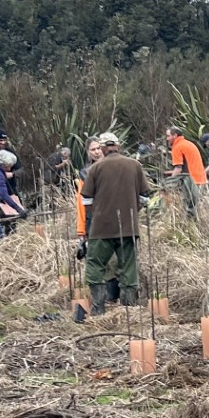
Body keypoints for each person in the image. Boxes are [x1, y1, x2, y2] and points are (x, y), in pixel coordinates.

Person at [79, 132, 149, 313]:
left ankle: (98, 309)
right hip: (129, 228)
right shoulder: (135, 165)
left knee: (95, 266)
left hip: (101, 229)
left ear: (102, 148)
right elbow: (145, 196)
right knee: (128, 268)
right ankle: (129, 311)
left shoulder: (95, 169)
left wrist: (93, 223)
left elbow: (86, 200)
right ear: (118, 146)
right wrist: (132, 213)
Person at [166, 124, 208, 219]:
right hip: (200, 179)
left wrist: (169, 184)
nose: (167, 139)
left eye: (168, 136)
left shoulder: (177, 147)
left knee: (189, 208)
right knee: (195, 207)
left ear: (175, 136)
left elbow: (178, 169)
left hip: (190, 181)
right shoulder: (188, 144)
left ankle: (188, 228)